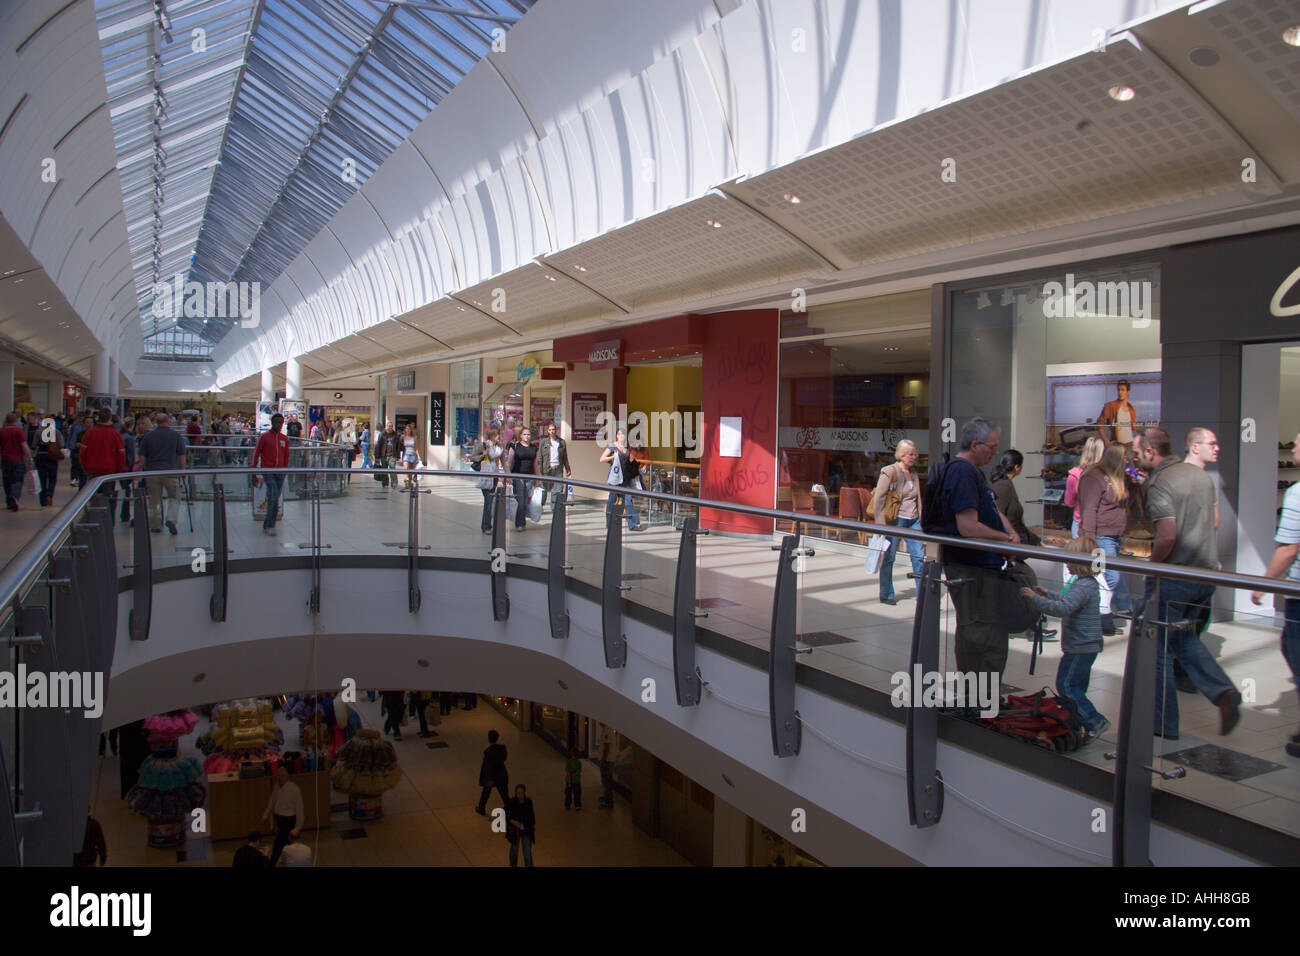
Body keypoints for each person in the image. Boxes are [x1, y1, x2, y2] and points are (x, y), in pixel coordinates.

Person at [1132, 426, 1240, 740]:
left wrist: (1152, 567)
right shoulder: (1201, 477)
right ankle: (1222, 691)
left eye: (1138, 455)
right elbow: (1213, 522)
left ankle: (1163, 724)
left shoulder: (1162, 481)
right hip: (1203, 576)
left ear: (1151, 451)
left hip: (1175, 578)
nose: (1137, 462)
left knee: (1160, 651)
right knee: (1184, 640)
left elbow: (1167, 533)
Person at [935, 417, 1021, 682]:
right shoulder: (962, 472)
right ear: (975, 445)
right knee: (980, 633)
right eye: (992, 447)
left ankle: (982, 697)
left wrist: (1008, 533)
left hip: (982, 568)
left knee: (987, 632)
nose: (996, 453)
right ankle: (977, 699)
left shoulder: (974, 472)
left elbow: (992, 509)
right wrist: (1003, 539)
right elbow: (968, 527)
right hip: (972, 569)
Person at [1022, 537, 1109, 742]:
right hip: (1086, 646)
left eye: (1068, 560)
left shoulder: (1082, 586)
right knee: (1077, 686)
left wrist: (1035, 598)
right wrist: (1048, 593)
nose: (1066, 564)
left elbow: (1063, 608)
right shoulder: (1085, 584)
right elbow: (1067, 600)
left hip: (1079, 647)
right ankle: (1076, 721)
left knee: (1066, 685)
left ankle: (1094, 720)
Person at [1251, 431, 1300, 759]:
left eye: (1298, 443)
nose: (1293, 447)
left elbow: (1289, 549)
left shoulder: (1297, 493)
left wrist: (1263, 583)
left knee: (1295, 651)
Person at [1078, 441, 1134, 635]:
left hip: (1114, 536)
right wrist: (1090, 541)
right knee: (1109, 577)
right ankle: (1095, 614)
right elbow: (1089, 510)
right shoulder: (1094, 477)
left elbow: (1127, 503)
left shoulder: (1118, 478)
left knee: (1108, 578)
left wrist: (1135, 482)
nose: (1129, 462)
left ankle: (1103, 618)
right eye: (1126, 458)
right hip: (1101, 537)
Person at [872, 439, 925, 605]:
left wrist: (922, 519)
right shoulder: (890, 471)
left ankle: (922, 594)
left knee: (918, 557)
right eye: (911, 454)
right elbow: (879, 498)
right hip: (896, 520)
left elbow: (918, 498)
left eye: (915, 454)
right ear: (902, 454)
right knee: (889, 558)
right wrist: (881, 526)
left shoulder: (914, 473)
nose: (914, 457)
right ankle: (886, 594)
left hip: (913, 520)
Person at [138, 413, 186, 535]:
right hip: (170, 471)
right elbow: (181, 455)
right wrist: (183, 470)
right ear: (168, 421)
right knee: (174, 497)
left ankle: (155, 524)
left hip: (153, 471)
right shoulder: (175, 436)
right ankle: (171, 519)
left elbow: (142, 456)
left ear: (156, 422)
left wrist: (145, 468)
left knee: (154, 499)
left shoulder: (148, 436)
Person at [79, 408, 126, 524]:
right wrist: (118, 471)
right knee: (108, 499)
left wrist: (86, 467)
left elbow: (82, 453)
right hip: (109, 472)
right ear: (110, 418)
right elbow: (121, 454)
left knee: (93, 499)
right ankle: (108, 523)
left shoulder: (90, 433)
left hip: (92, 471)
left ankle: (93, 522)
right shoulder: (115, 434)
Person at [990, 449, 1040, 546]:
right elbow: (996, 515)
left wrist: (1035, 540)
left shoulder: (1005, 484)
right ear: (1017, 467)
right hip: (1007, 543)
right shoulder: (1003, 486)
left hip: (1012, 541)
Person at [251, 413, 290, 536]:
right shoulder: (264, 437)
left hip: (280, 472)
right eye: (276, 422)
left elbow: (286, 456)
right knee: (273, 495)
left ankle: (267, 524)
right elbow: (256, 453)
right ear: (272, 423)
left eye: (280, 422)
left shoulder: (284, 439)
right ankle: (270, 525)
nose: (278, 425)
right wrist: (253, 472)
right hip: (268, 471)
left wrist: (285, 470)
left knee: (274, 498)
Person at [1063, 436, 1106, 542]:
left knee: (1081, 556)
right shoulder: (1105, 474)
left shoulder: (1075, 474)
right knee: (1100, 557)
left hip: (1080, 521)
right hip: (1101, 523)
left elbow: (1069, 502)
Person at [600, 429, 643, 531]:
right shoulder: (612, 446)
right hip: (615, 478)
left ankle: (633, 523)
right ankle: (609, 522)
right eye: (619, 434)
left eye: (623, 434)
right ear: (616, 435)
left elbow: (628, 463)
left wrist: (632, 461)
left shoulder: (626, 449)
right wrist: (612, 457)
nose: (621, 436)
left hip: (625, 478)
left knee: (628, 500)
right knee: (612, 500)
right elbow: (601, 459)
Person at [262, 766, 304, 866]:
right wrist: (265, 815)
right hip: (279, 820)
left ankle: (272, 863)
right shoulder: (277, 787)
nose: (281, 777)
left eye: (283, 775)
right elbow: (272, 802)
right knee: (285, 845)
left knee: (279, 844)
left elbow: (299, 808)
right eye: (279, 775)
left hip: (289, 820)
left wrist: (298, 827)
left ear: (287, 776)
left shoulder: (294, 789)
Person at [1183, 427, 1221, 530]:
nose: (1217, 448)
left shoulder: (1204, 478)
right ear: (1195, 447)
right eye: (1211, 444)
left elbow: (1215, 520)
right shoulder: (1181, 478)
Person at [30, 414, 66, 508]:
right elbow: (62, 444)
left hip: (41, 455)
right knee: (52, 477)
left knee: (42, 479)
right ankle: (49, 494)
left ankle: (43, 501)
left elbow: (33, 446)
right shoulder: (56, 432)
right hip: (52, 456)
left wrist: (31, 457)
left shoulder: (38, 432)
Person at [1, 412, 34, 512]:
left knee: (7, 481)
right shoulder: (19, 431)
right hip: (18, 460)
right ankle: (14, 497)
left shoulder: (1, 431)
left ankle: (8, 501)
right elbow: (24, 445)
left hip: (5, 460)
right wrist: (29, 458)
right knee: (17, 480)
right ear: (16, 420)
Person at [506, 426, 538, 530]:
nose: (527, 436)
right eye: (524, 434)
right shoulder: (515, 446)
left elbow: (535, 464)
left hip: (529, 476)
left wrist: (538, 478)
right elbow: (509, 462)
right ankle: (519, 524)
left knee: (525, 501)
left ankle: (522, 522)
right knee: (520, 500)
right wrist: (508, 476)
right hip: (517, 476)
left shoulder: (534, 448)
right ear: (520, 436)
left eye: (528, 434)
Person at [537, 422, 572, 511]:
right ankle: (540, 506)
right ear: (547, 431)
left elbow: (565, 457)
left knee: (557, 490)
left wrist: (568, 468)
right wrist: (539, 471)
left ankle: (554, 509)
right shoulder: (544, 442)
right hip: (546, 469)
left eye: (553, 429)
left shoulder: (561, 442)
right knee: (544, 490)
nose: (552, 431)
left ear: (556, 430)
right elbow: (540, 457)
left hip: (558, 469)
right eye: (550, 430)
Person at [476, 427, 504, 534]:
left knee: (490, 501)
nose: (499, 437)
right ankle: (486, 526)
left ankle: (486, 524)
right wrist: (482, 455)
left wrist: (508, 474)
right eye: (497, 435)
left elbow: (503, 461)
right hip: (486, 475)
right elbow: (474, 457)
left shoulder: (500, 447)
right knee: (488, 501)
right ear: (492, 436)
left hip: (494, 476)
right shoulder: (484, 445)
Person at [475, 729, 509, 814]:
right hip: (501, 774)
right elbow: (504, 758)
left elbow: (488, 767)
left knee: (485, 793)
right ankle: (510, 809)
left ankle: (481, 808)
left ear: (489, 739)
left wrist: (489, 779)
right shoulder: (502, 748)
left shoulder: (488, 752)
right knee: (504, 795)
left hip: (492, 777)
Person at [1097, 379, 1139, 445]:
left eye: (1122, 390)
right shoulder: (1110, 406)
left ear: (1128, 392)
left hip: (1130, 444)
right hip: (1117, 445)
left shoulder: (1131, 409)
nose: (1120, 392)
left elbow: (1133, 429)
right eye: (1118, 390)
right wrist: (1105, 440)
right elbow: (1099, 425)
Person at [505, 784, 536, 867]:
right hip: (515, 831)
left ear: (524, 793)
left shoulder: (528, 802)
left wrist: (532, 825)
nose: (520, 795)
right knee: (514, 852)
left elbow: (531, 815)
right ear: (515, 793)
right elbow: (504, 814)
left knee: (527, 854)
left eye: (521, 793)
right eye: (518, 793)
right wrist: (513, 821)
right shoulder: (511, 802)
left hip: (526, 830)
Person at [68, 412, 92, 488]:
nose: (89, 424)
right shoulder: (80, 433)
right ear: (84, 424)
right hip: (82, 457)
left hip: (91, 458)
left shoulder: (95, 434)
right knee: (82, 475)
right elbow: (75, 442)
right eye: (87, 422)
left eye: (91, 422)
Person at [374, 421, 399, 489]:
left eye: (391, 426)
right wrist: (377, 456)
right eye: (389, 426)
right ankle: (385, 483)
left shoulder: (395, 434)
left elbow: (398, 445)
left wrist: (398, 455)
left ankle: (394, 482)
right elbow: (378, 445)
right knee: (384, 469)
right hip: (384, 455)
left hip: (392, 454)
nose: (390, 427)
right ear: (386, 426)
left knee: (392, 468)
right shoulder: (382, 434)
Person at [597, 724, 617, 809]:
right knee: (607, 780)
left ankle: (608, 802)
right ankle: (607, 797)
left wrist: (603, 759)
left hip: (607, 761)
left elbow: (606, 748)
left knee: (606, 781)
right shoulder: (608, 729)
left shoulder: (607, 731)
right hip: (608, 760)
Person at [400, 423, 420, 489]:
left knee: (411, 471)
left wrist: (418, 456)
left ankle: (409, 482)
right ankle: (406, 480)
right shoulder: (403, 437)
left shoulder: (414, 438)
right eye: (406, 429)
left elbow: (416, 447)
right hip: (406, 454)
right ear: (405, 430)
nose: (408, 430)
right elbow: (400, 445)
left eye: (409, 429)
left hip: (413, 454)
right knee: (406, 468)